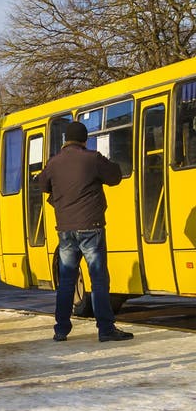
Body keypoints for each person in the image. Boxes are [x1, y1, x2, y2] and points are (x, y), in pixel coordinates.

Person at [39, 120, 134, 343]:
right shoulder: (93, 158)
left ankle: (61, 329)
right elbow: (115, 177)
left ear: (65, 140)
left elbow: (43, 186)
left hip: (65, 230)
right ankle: (106, 329)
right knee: (99, 280)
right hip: (91, 227)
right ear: (84, 140)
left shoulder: (53, 163)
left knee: (66, 281)